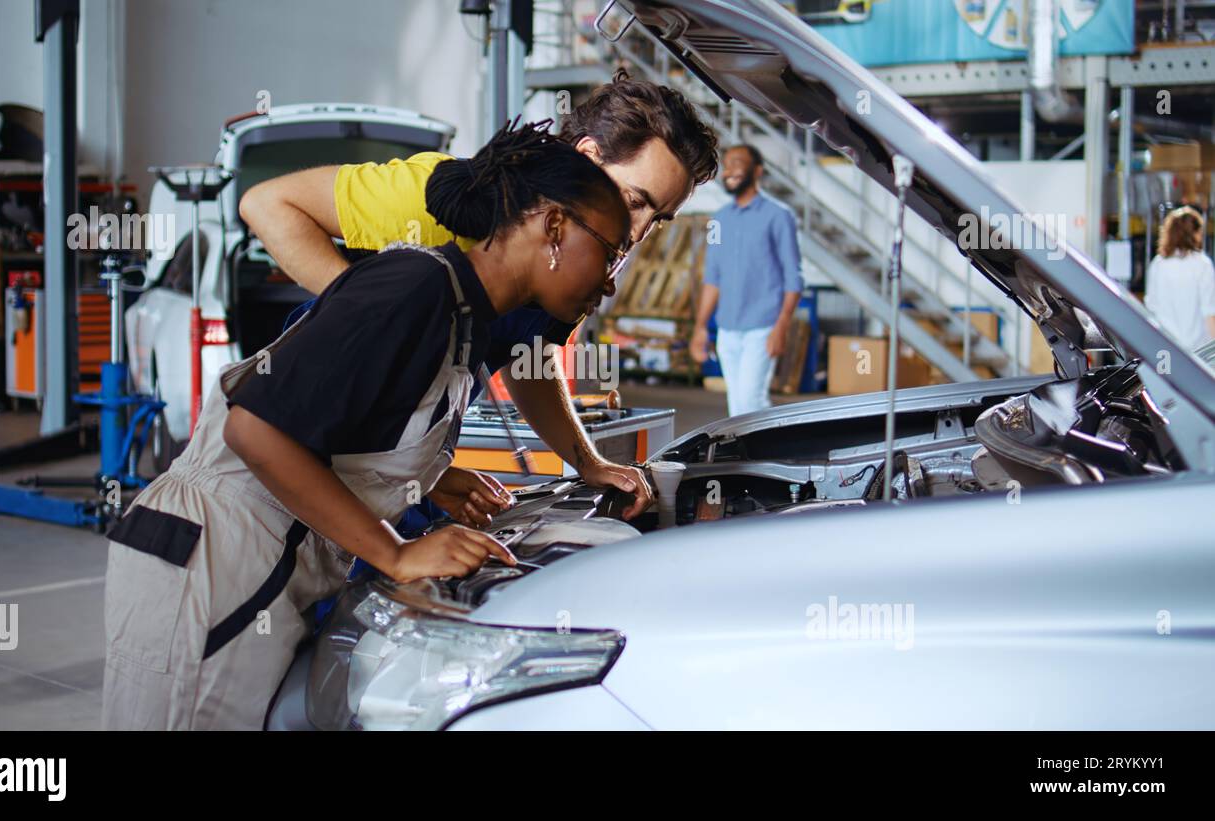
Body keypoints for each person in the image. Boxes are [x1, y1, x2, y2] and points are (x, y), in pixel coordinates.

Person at [102, 122, 632, 730]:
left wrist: (427, 480)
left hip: (257, 570)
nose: (611, 280)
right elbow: (253, 432)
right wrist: (396, 552)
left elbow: (346, 419)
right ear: (555, 227)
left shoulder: (464, 312)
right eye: (612, 250)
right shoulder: (416, 287)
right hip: (208, 565)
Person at [240, 71, 719, 528]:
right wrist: (372, 315)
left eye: (658, 219)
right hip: (288, 466)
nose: (637, 234)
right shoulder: (437, 199)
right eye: (636, 202)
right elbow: (267, 204)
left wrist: (585, 461)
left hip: (371, 474)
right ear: (589, 156)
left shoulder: (569, 261)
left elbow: (530, 356)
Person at [691, 144, 803, 417]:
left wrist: (782, 326)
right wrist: (701, 327)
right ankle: (754, 453)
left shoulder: (778, 216)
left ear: (758, 171)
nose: (729, 171)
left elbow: (793, 276)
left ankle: (770, 451)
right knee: (738, 404)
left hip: (763, 326)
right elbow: (712, 278)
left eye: (737, 163)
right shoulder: (719, 220)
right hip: (728, 328)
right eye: (726, 165)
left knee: (750, 400)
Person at [1144, 206, 1215, 351]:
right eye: (1199, 232)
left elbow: (1151, 309)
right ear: (1193, 233)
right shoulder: (1202, 264)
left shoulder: (1158, 264)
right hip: (1198, 352)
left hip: (1166, 349)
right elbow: (1209, 312)